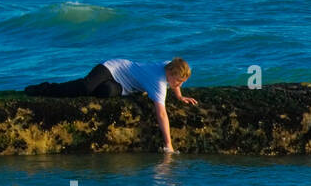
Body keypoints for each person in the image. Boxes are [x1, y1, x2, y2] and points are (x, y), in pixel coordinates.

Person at [26, 58, 198, 153]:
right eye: (177, 81)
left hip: (122, 86)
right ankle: (44, 88)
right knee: (85, 87)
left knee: (105, 93)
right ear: (169, 72)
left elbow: (176, 82)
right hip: (113, 68)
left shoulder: (170, 66)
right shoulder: (158, 82)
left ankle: (97, 88)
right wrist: (168, 144)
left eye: (181, 82)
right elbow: (161, 114)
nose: (178, 84)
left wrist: (179, 95)